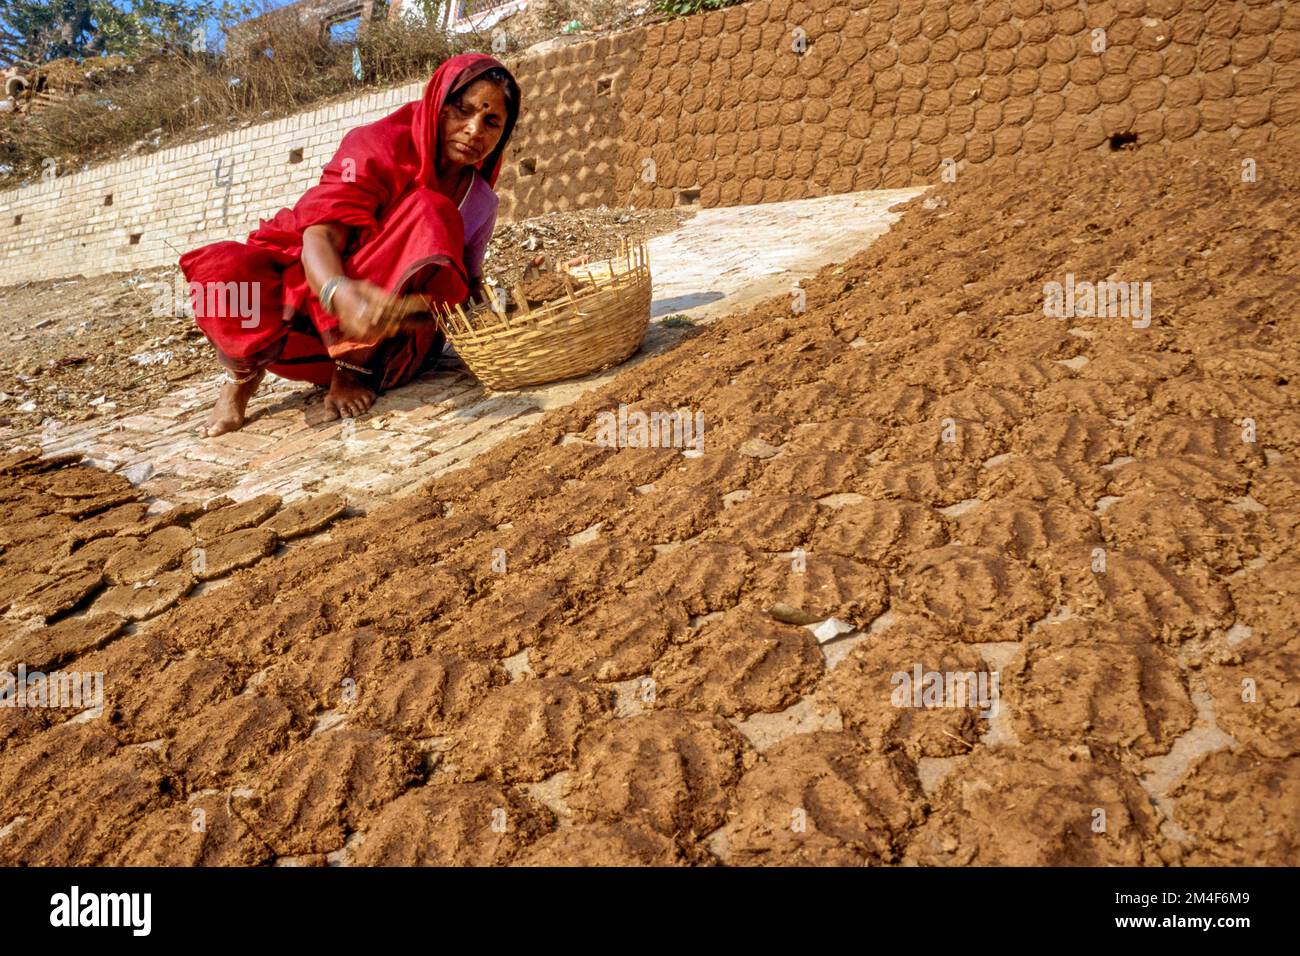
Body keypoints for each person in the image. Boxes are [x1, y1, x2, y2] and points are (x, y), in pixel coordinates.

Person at [179, 52, 521, 437]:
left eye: (491, 121)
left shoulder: (479, 201)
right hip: (313, 322)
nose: (475, 129)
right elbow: (319, 236)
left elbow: (466, 283)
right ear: (436, 105)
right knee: (223, 273)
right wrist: (339, 294)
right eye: (462, 110)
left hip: (390, 350)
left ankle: (351, 368)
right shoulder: (376, 146)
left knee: (430, 210)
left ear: (502, 135)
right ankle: (241, 376)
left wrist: (507, 318)